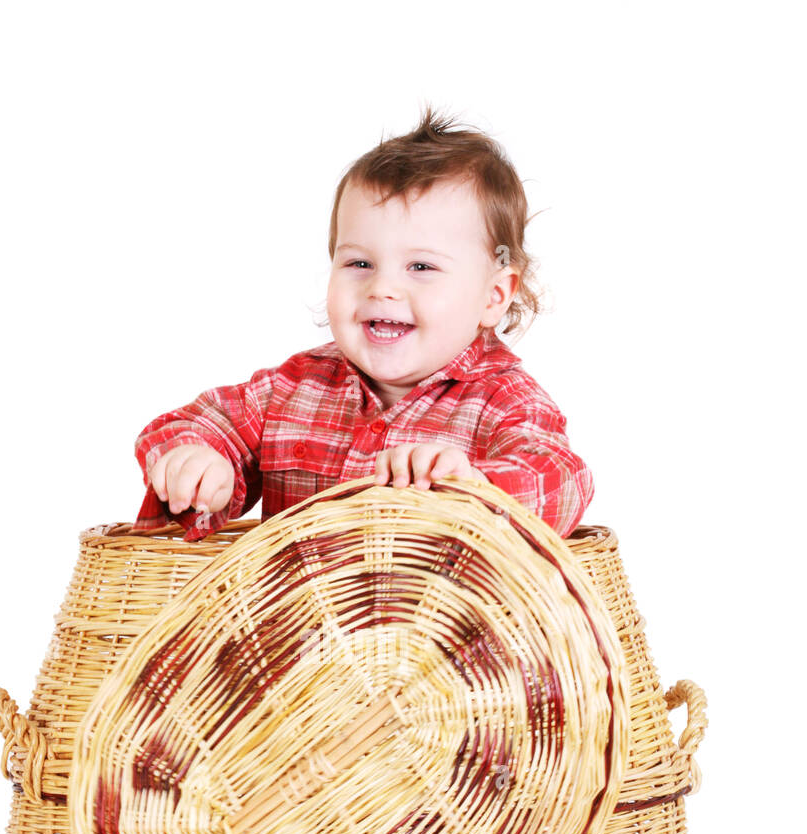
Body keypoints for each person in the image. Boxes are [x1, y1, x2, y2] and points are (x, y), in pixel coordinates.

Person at [134, 107, 593, 541]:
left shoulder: (503, 400)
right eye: (359, 263)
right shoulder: (293, 389)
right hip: (296, 624)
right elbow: (198, 422)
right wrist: (196, 460)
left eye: (421, 268)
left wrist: (473, 486)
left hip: (440, 622)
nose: (383, 289)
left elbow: (562, 477)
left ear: (493, 297)